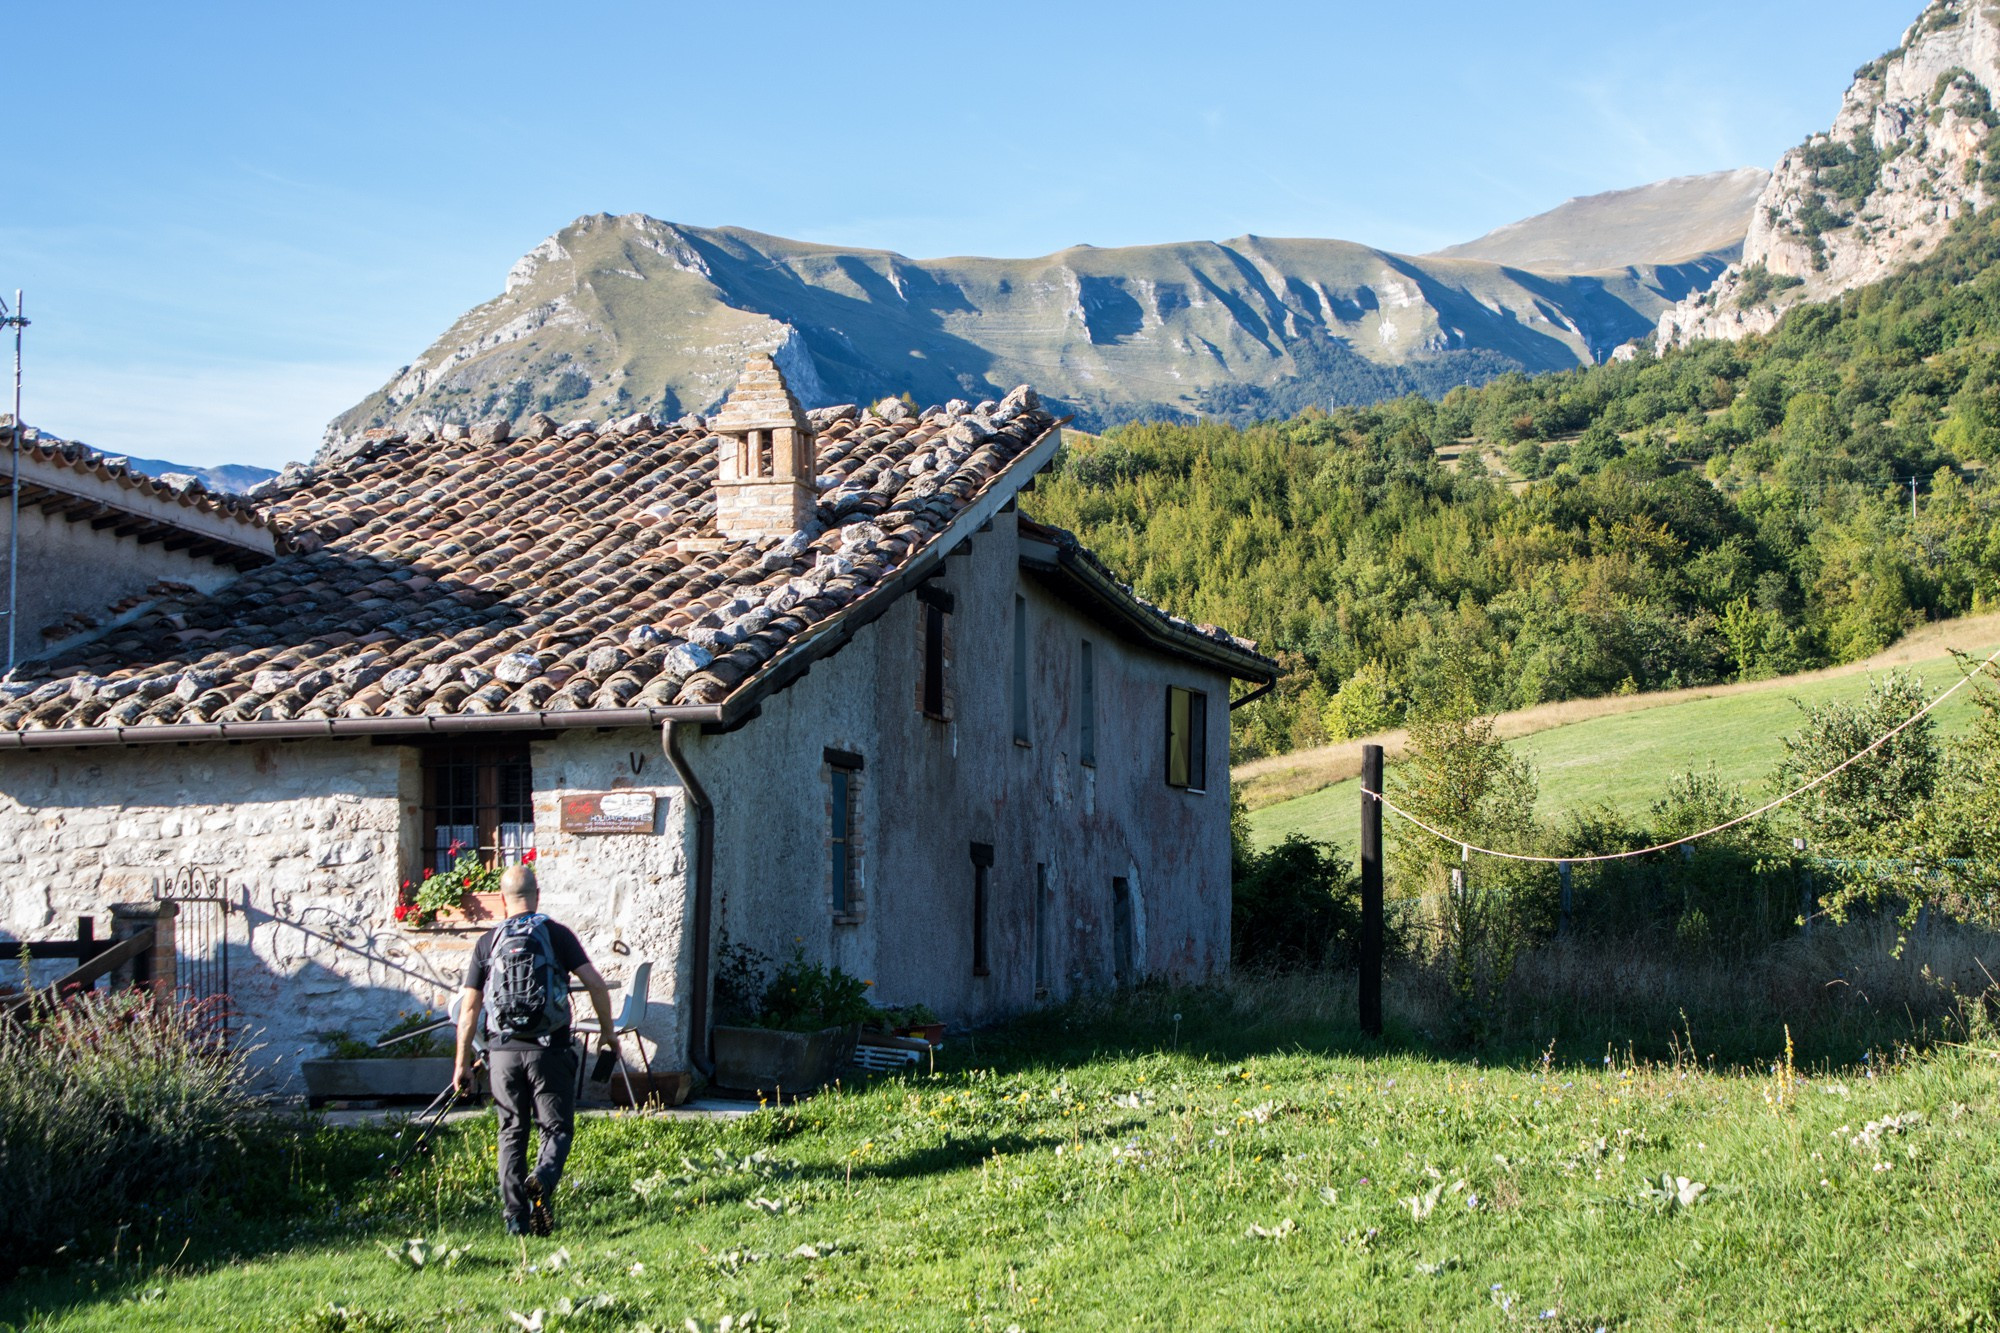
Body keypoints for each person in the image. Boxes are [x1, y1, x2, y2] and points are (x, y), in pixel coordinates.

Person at [453, 864, 616, 1237]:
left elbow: (469, 1010)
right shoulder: (556, 934)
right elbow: (595, 982)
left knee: (511, 1131)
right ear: (537, 894)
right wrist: (606, 1032)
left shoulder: (487, 941)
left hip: (503, 1052)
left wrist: (462, 1062)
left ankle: (516, 1219)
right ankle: (541, 1178)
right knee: (556, 1128)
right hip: (551, 1049)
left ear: (502, 900)